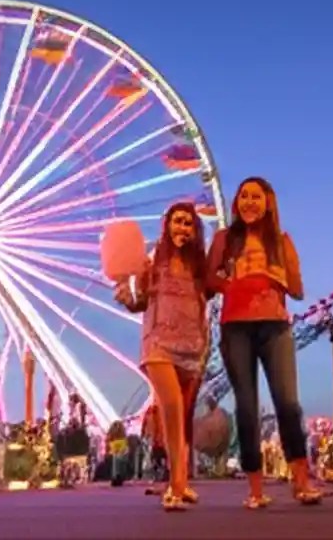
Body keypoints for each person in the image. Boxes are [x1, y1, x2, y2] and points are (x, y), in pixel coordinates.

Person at [209, 177, 324, 509]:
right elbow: (209, 277)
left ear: (268, 203)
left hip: (275, 325)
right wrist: (233, 285)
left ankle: (301, 481)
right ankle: (255, 489)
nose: (249, 202)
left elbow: (298, 290)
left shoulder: (282, 241)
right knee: (247, 406)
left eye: (256, 197)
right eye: (243, 196)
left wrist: (276, 276)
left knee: (288, 403)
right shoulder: (224, 239)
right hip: (235, 327)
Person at [113, 202, 210, 511]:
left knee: (182, 415)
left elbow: (207, 301)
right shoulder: (152, 263)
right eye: (177, 221)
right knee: (172, 408)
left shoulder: (200, 267)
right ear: (167, 226)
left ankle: (181, 481)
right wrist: (126, 297)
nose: (182, 227)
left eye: (188, 223)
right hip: (158, 343)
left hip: (192, 345)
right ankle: (176, 486)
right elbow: (140, 302)